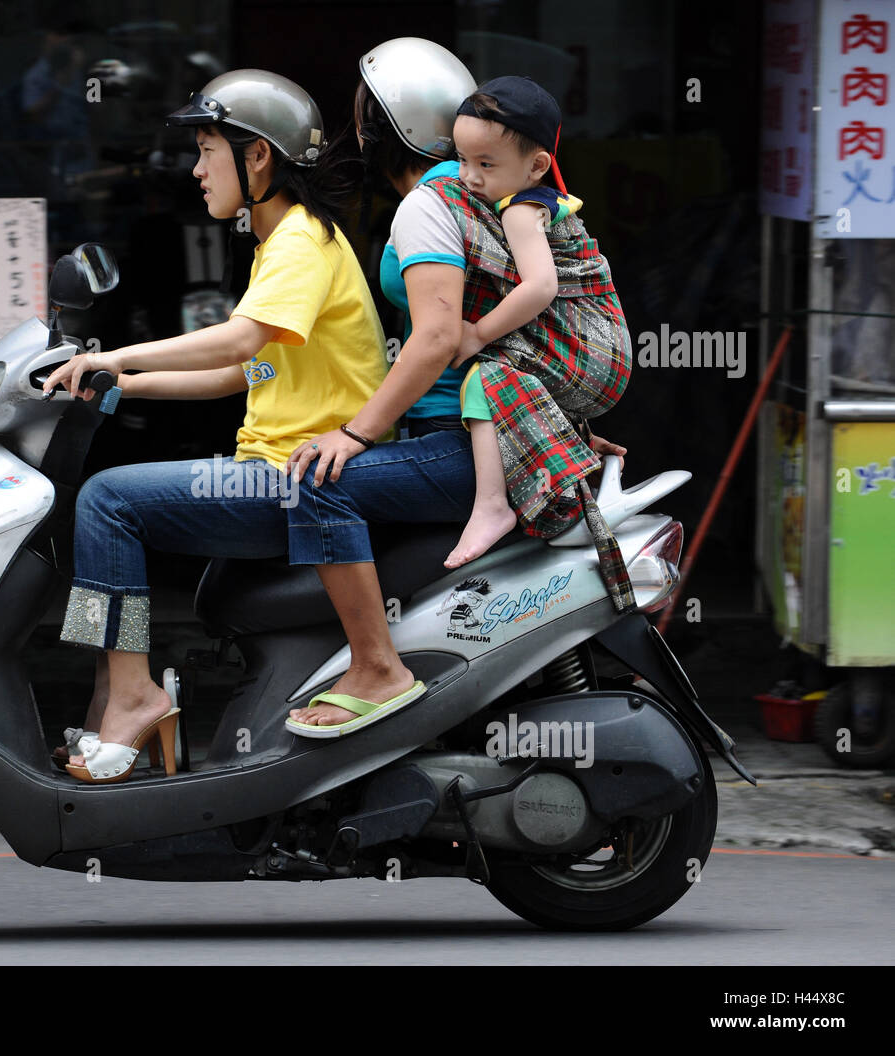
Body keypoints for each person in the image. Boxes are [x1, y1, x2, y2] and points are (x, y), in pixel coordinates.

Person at [42, 69, 394, 782]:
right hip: (279, 470)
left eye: (208, 150)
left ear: (257, 156)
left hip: (293, 479)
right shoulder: (286, 243)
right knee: (114, 512)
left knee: (108, 503)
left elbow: (235, 343)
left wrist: (110, 352)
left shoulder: (299, 243)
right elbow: (244, 374)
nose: (197, 171)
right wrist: (125, 382)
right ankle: (112, 696)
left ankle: (135, 696)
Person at [283, 39, 629, 737]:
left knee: (316, 484)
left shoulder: (436, 202)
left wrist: (355, 433)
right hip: (468, 424)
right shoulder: (478, 194)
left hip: (449, 435)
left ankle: (375, 666)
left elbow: (447, 337)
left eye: (364, 121)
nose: (354, 137)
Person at [444, 76, 631, 568]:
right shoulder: (536, 199)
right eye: (462, 160)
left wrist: (478, 333)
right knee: (506, 374)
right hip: (603, 353)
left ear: (536, 165)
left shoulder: (522, 211)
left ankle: (491, 506)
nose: (469, 177)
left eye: (486, 164)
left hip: (591, 353)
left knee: (486, 377)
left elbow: (542, 287)